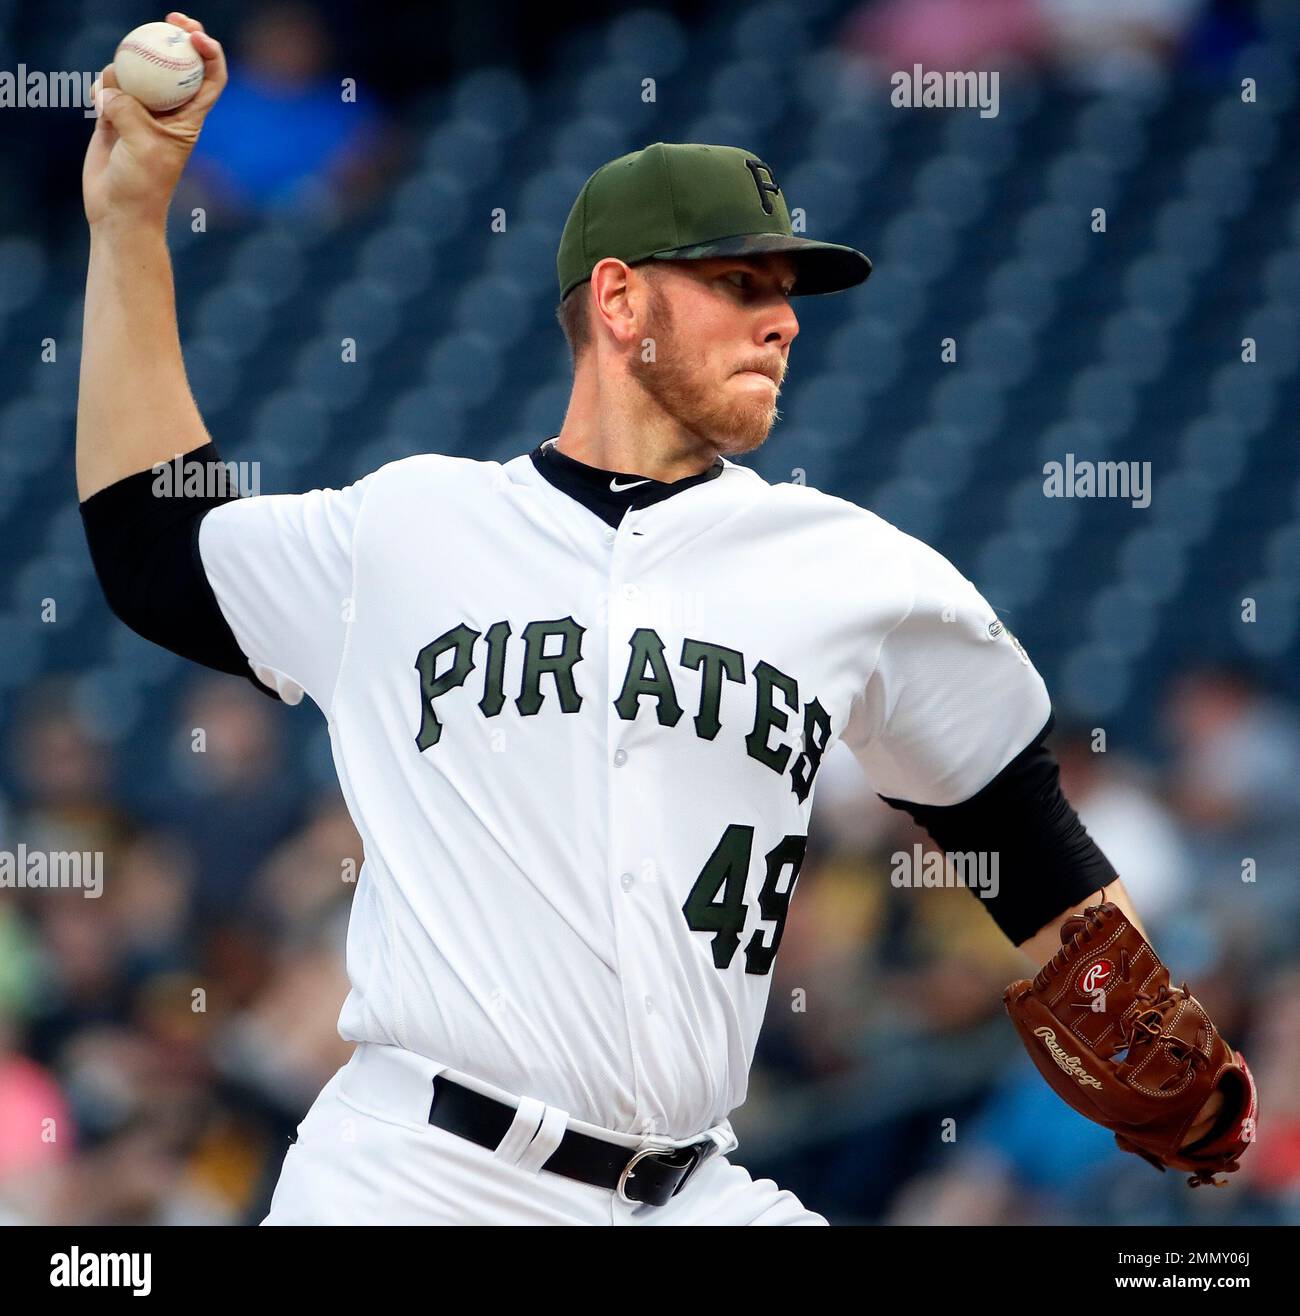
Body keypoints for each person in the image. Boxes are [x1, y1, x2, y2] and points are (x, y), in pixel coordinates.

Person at [76, 13, 1235, 1225]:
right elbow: (151, 545)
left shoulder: (852, 572)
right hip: (419, 1175)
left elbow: (1014, 822)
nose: (782, 319)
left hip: (692, 1188)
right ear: (620, 302)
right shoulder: (408, 528)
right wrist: (128, 221)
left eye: (786, 291)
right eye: (741, 283)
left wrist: (1146, 1005)